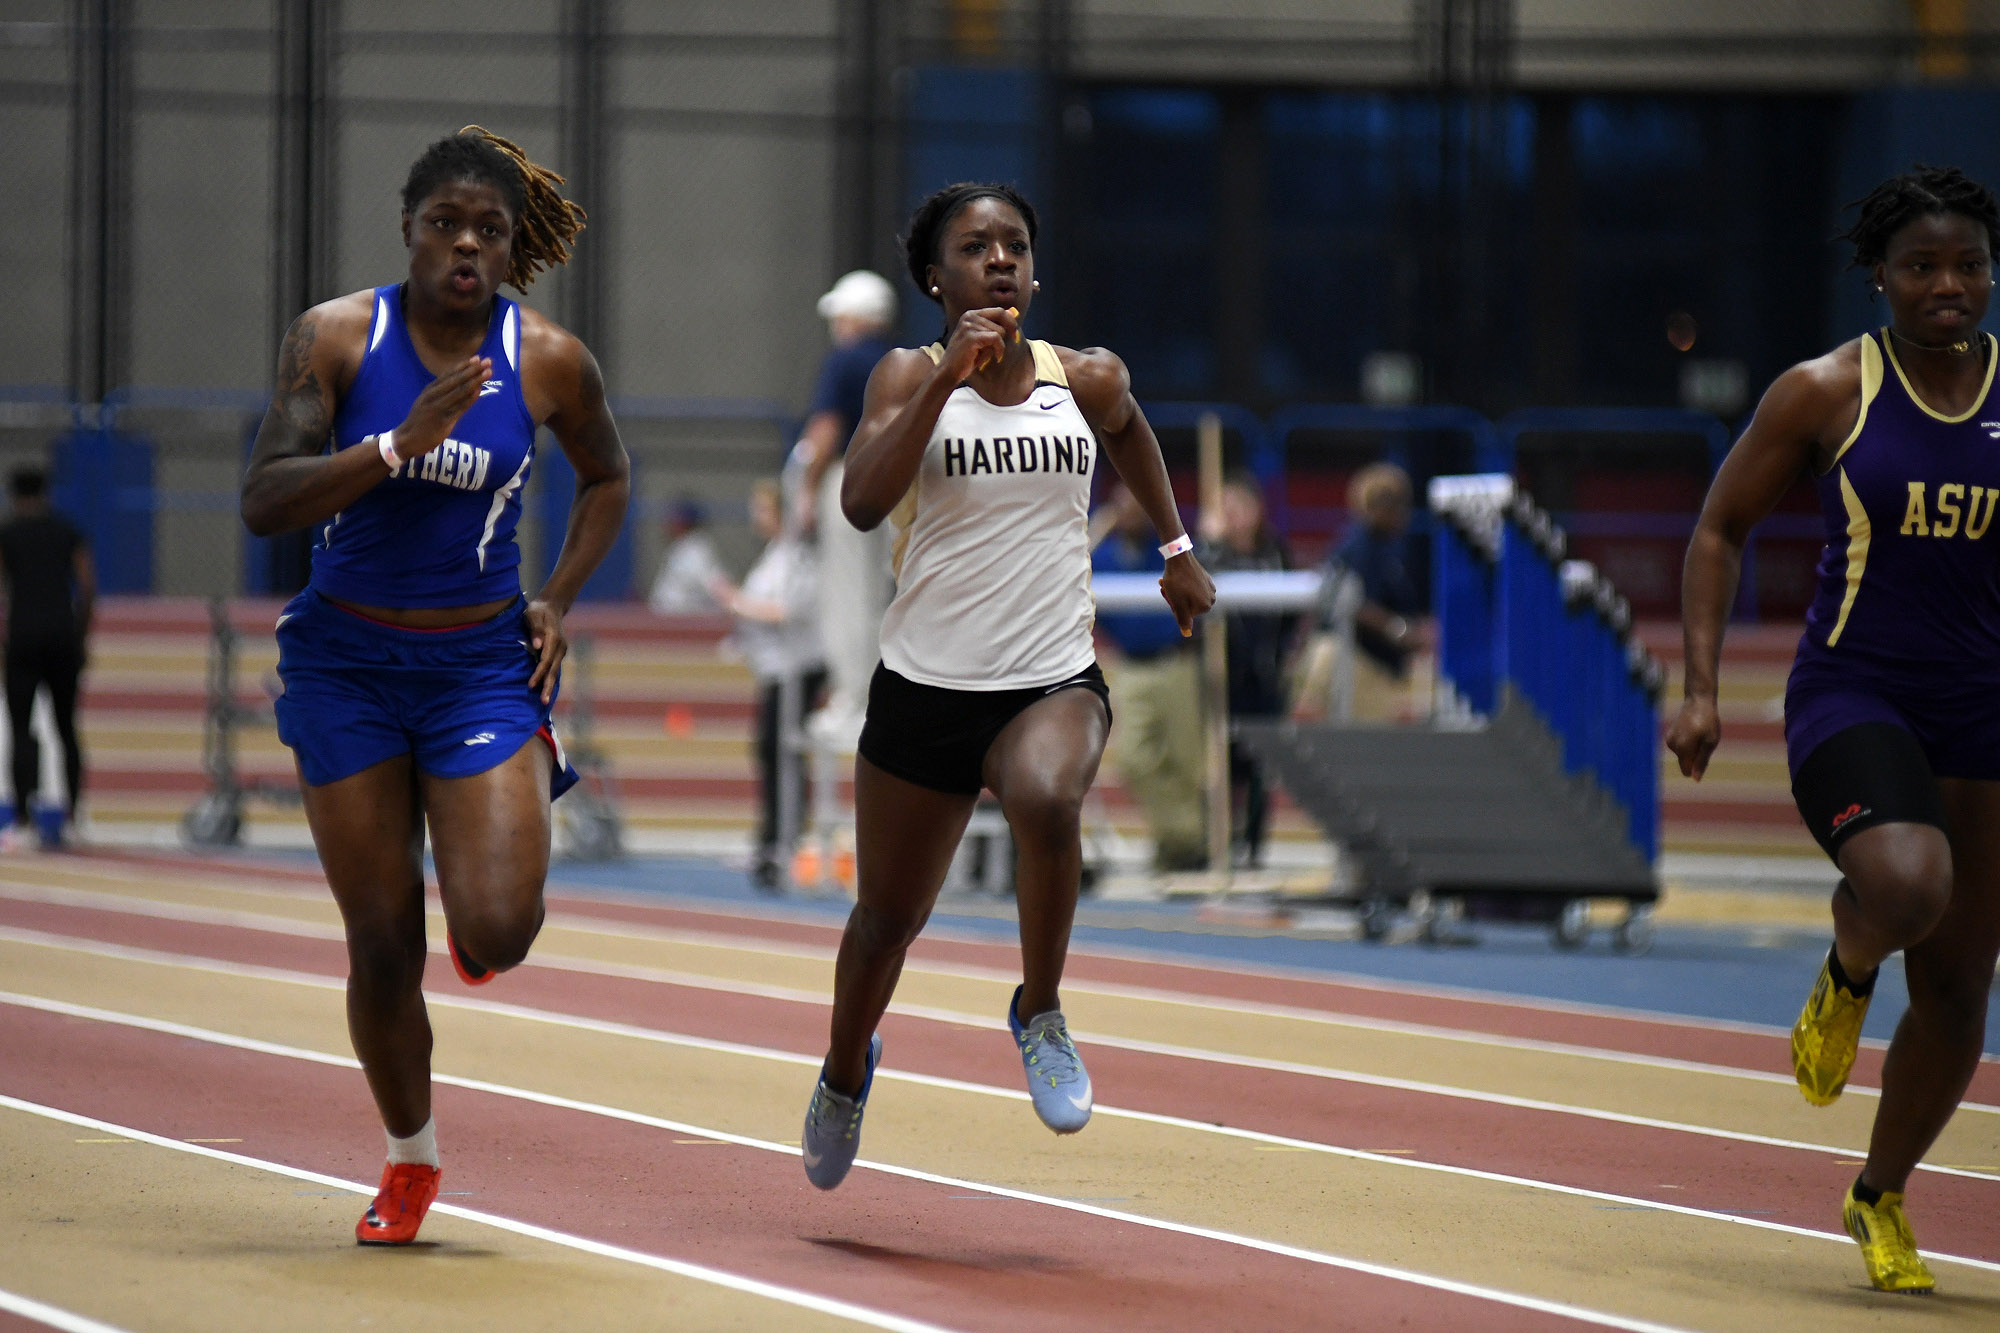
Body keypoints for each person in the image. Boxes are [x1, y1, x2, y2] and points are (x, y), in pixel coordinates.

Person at [239, 127, 629, 1248]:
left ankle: (480, 901)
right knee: (380, 944)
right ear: (408, 232)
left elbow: (608, 476)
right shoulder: (334, 338)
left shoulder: (549, 359)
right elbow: (268, 500)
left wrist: (555, 593)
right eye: (445, 225)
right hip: (345, 666)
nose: (466, 245)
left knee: (499, 931)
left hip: (474, 666)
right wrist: (396, 446)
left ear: (512, 251)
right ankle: (411, 1157)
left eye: (489, 231)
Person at [799, 182, 1214, 1189]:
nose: (997, 260)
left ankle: (1038, 1006)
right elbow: (858, 502)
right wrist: (946, 377)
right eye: (974, 247)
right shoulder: (902, 373)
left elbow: (1130, 431)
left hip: (1047, 677)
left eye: (1014, 246)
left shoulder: (1083, 376)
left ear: (1032, 271)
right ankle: (845, 1069)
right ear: (934, 278)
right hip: (924, 689)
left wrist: (1174, 547)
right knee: (885, 923)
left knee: (1044, 795)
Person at [1666, 165, 2000, 1295]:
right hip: (1851, 691)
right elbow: (1716, 529)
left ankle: (1879, 1194)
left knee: (1960, 986)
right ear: (1878, 279)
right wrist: (1699, 687)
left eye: (1966, 266)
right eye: (1921, 267)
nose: (1946, 286)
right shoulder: (1823, 392)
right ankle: (1849, 956)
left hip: (1981, 705)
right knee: (1908, 885)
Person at [709, 478, 826, 888]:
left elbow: (787, 611)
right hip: (775, 670)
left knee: (782, 754)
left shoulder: (798, 557)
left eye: (762, 508)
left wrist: (736, 601)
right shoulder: (774, 555)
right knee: (768, 752)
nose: (755, 516)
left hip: (796, 670)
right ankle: (773, 837)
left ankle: (783, 840)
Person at [794, 270, 899, 725]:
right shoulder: (901, 359)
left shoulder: (845, 360)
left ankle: (853, 697)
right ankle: (885, 690)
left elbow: (826, 429)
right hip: (900, 481)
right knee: (885, 592)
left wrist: (806, 490)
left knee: (848, 592)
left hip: (850, 477)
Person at [1093, 484, 1208, 871]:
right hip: (1131, 668)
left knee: (1184, 761)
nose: (1131, 515)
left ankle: (1174, 848)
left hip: (1176, 663)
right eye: (1123, 508)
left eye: (1139, 508)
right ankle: (1187, 835)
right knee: (1133, 758)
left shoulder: (1169, 553)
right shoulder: (1103, 557)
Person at [1198, 474, 1295, 867]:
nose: (1233, 517)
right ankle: (1217, 842)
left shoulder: (1275, 554)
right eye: (1226, 509)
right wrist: (1211, 545)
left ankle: (1254, 846)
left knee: (1261, 765)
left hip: (1265, 676)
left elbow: (1290, 611)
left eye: (1240, 507)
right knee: (1220, 763)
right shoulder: (1211, 554)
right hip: (1223, 676)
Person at [0, 467, 94, 848]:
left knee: (22, 729)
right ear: (46, 493)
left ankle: (23, 818)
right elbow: (87, 585)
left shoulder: (7, 535)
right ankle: (73, 815)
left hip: (22, 637)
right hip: (61, 636)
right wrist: (81, 635)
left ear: (13, 495)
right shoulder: (67, 531)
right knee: (66, 726)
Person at [1296, 462, 1425, 723]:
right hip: (1359, 659)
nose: (1400, 511)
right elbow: (1353, 605)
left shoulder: (1396, 550)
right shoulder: (1355, 548)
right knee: (1326, 652)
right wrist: (1397, 629)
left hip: (1390, 665)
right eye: (1390, 502)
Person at [645, 496, 727, 615]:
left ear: (683, 522)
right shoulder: (682, 546)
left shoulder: (696, 550)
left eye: (673, 519)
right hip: (669, 619)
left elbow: (714, 586)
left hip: (684, 620)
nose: (667, 523)